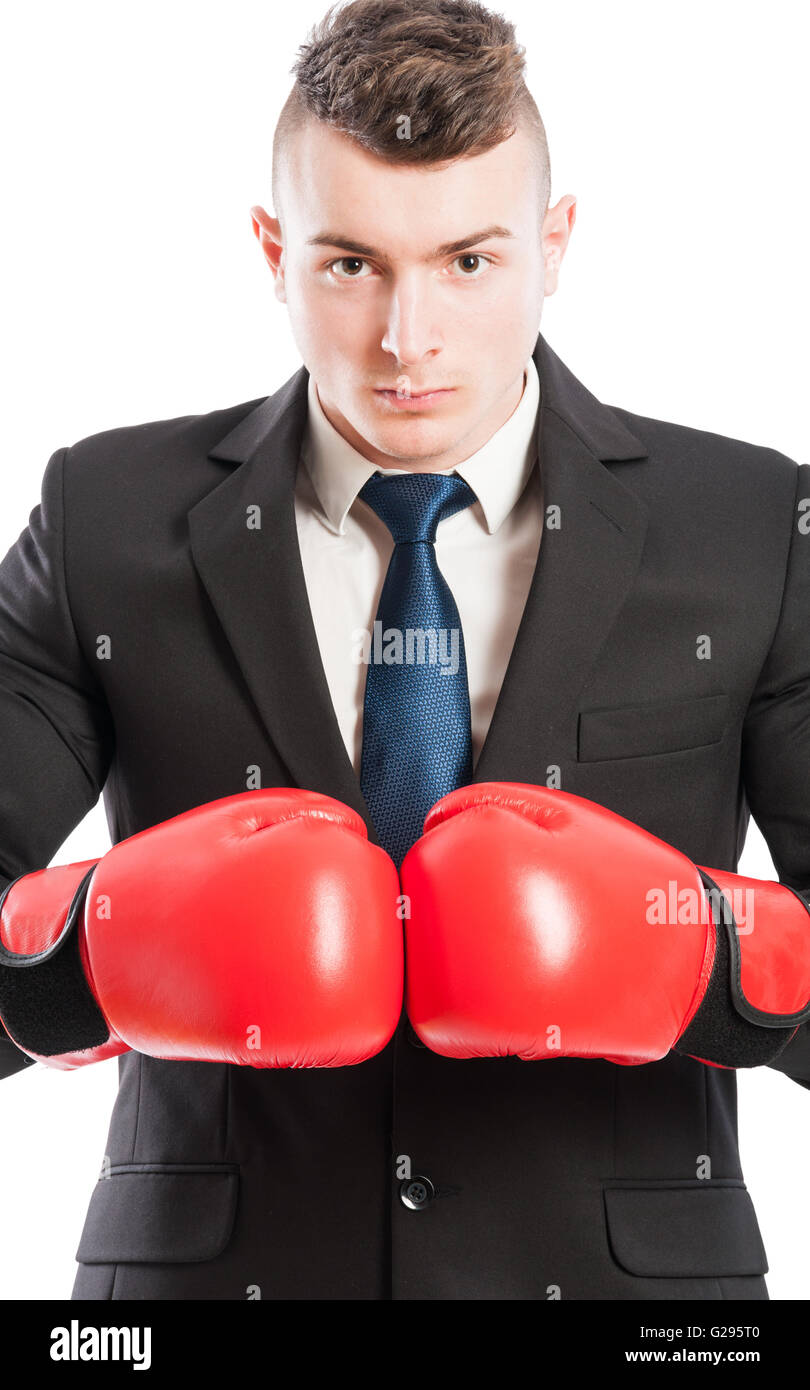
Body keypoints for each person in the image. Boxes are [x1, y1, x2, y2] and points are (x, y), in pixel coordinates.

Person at [0, 0, 807, 1301]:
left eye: (469, 263)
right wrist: (93, 954)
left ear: (556, 245)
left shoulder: (748, 523)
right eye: (349, 263)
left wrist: (701, 954)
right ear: (272, 249)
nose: (405, 337)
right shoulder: (108, 515)